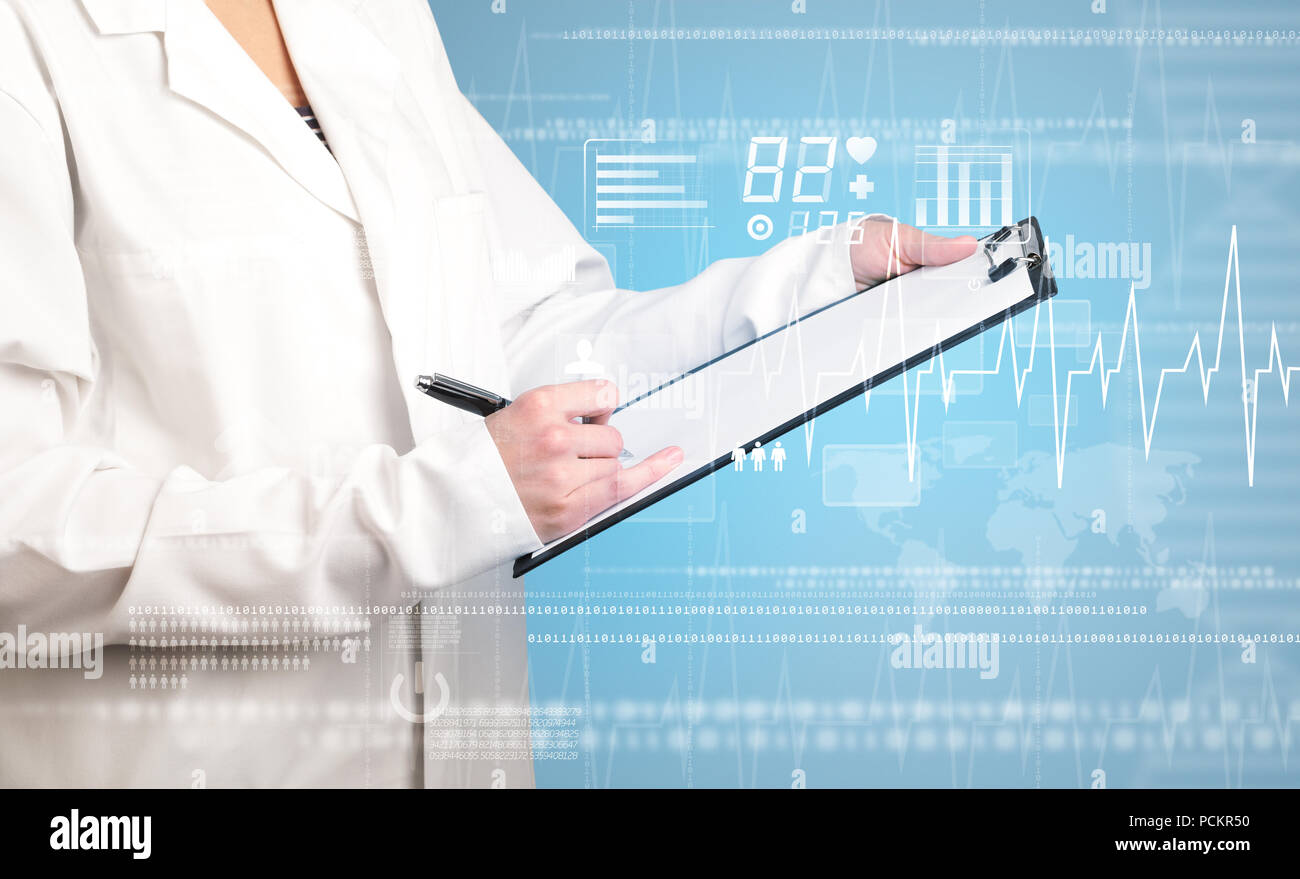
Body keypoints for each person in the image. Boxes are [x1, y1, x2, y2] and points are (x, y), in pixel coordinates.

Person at [0, 0, 976, 787]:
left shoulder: (375, 17)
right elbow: (19, 531)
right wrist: (433, 512)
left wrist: (803, 291)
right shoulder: (26, 39)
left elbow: (503, 339)